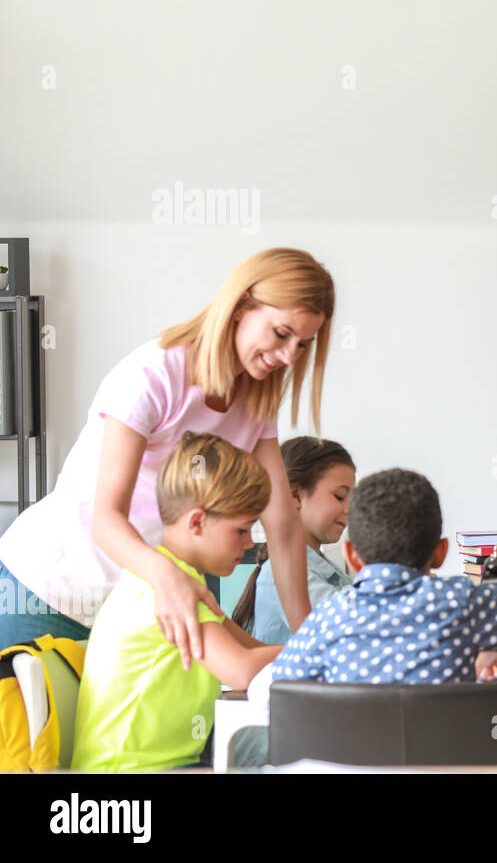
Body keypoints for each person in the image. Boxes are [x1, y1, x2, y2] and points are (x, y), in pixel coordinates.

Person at [0, 248, 333, 668]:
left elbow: (282, 526)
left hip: (132, 606)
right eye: (281, 333)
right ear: (241, 305)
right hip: (48, 590)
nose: (288, 356)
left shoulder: (255, 400)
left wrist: (310, 639)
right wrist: (166, 576)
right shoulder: (153, 376)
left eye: (303, 344)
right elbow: (107, 518)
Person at [71, 433, 284, 771]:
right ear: (197, 521)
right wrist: (319, 646)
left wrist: (309, 646)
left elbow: (252, 648)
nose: (248, 544)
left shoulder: (180, 580)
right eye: (241, 530)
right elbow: (243, 670)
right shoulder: (172, 594)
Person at [273, 468, 497, 685]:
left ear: (351, 555)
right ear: (441, 552)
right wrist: (491, 639)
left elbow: (275, 687)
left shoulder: (329, 617)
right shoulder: (462, 604)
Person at [231, 437, 356, 642]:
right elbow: (349, 630)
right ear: (295, 495)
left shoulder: (324, 572)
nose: (348, 509)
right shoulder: (284, 574)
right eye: (340, 497)